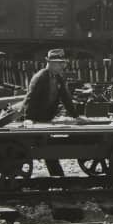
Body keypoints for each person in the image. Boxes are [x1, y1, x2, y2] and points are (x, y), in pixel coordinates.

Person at [22, 48, 86, 176]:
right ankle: (57, 175)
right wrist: (27, 118)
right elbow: (30, 98)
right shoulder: (40, 77)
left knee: (47, 147)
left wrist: (76, 117)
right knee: (44, 148)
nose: (62, 66)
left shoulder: (58, 78)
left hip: (46, 119)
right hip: (35, 120)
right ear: (50, 63)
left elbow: (66, 99)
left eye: (63, 63)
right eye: (59, 63)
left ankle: (57, 176)